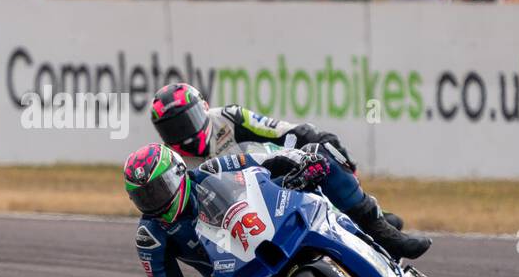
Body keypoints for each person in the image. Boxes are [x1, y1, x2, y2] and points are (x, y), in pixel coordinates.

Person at [122, 141, 426, 277]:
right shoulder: (150, 236)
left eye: (158, 189)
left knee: (321, 154)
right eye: (143, 196)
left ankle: (383, 236)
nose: (153, 201)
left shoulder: (212, 169)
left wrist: (303, 162)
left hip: (270, 226)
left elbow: (269, 160)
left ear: (177, 173)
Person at [147, 79, 414, 235]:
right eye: (173, 129)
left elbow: (280, 130)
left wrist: (311, 138)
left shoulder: (229, 116)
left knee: (320, 145)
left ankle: (366, 218)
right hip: (233, 218)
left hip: (272, 181)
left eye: (187, 122)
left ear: (204, 108)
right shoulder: (174, 164)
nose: (184, 135)